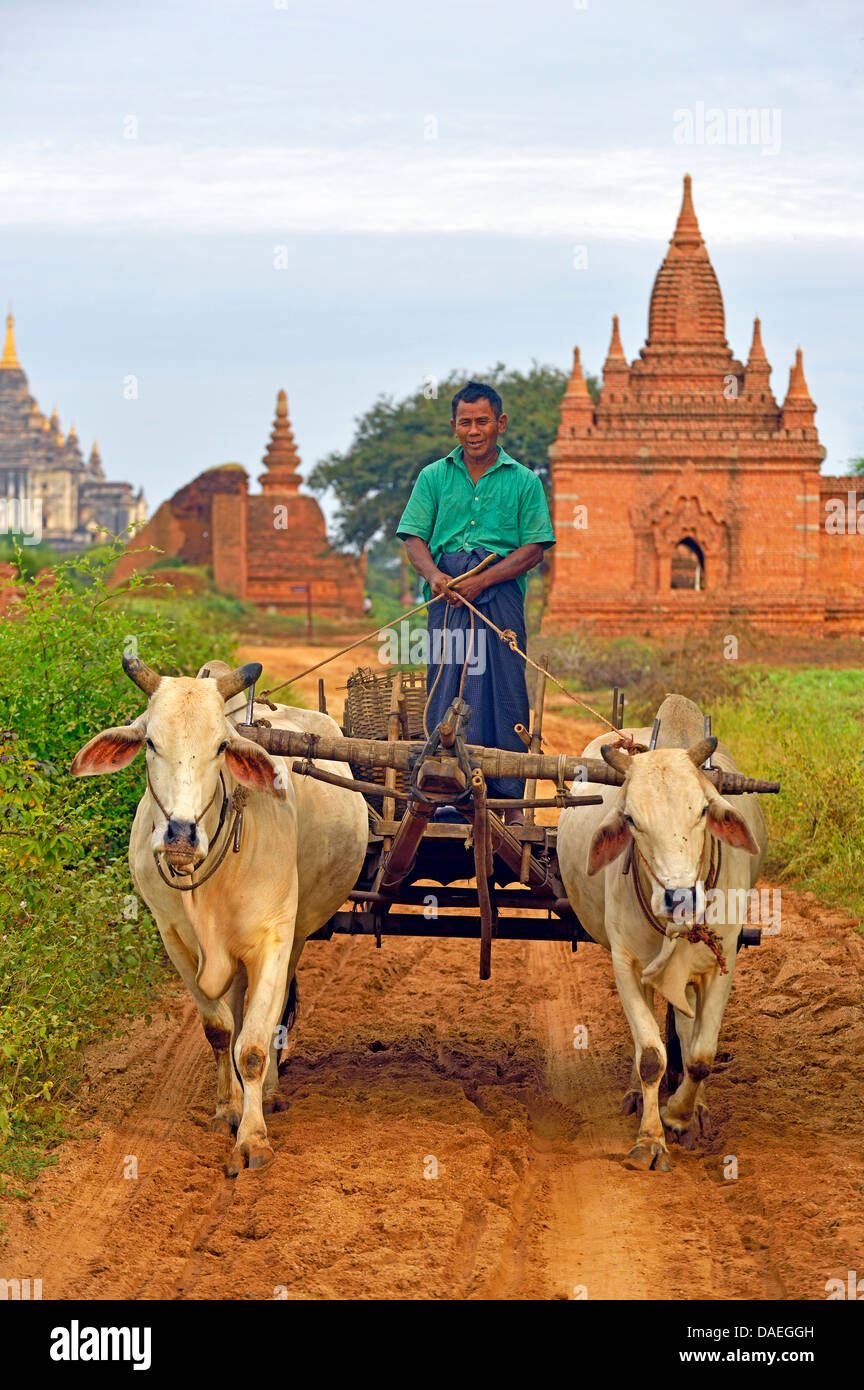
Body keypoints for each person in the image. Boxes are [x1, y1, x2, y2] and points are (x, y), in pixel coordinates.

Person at [396, 381, 555, 824]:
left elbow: (533, 549)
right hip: (446, 596)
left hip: (499, 598)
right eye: (465, 422)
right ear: (453, 426)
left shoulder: (524, 481)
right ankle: (444, 788)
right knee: (446, 682)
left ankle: (506, 799)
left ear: (499, 424)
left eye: (482, 421)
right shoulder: (433, 477)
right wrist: (435, 576)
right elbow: (414, 538)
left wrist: (482, 581)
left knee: (503, 686)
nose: (474, 430)